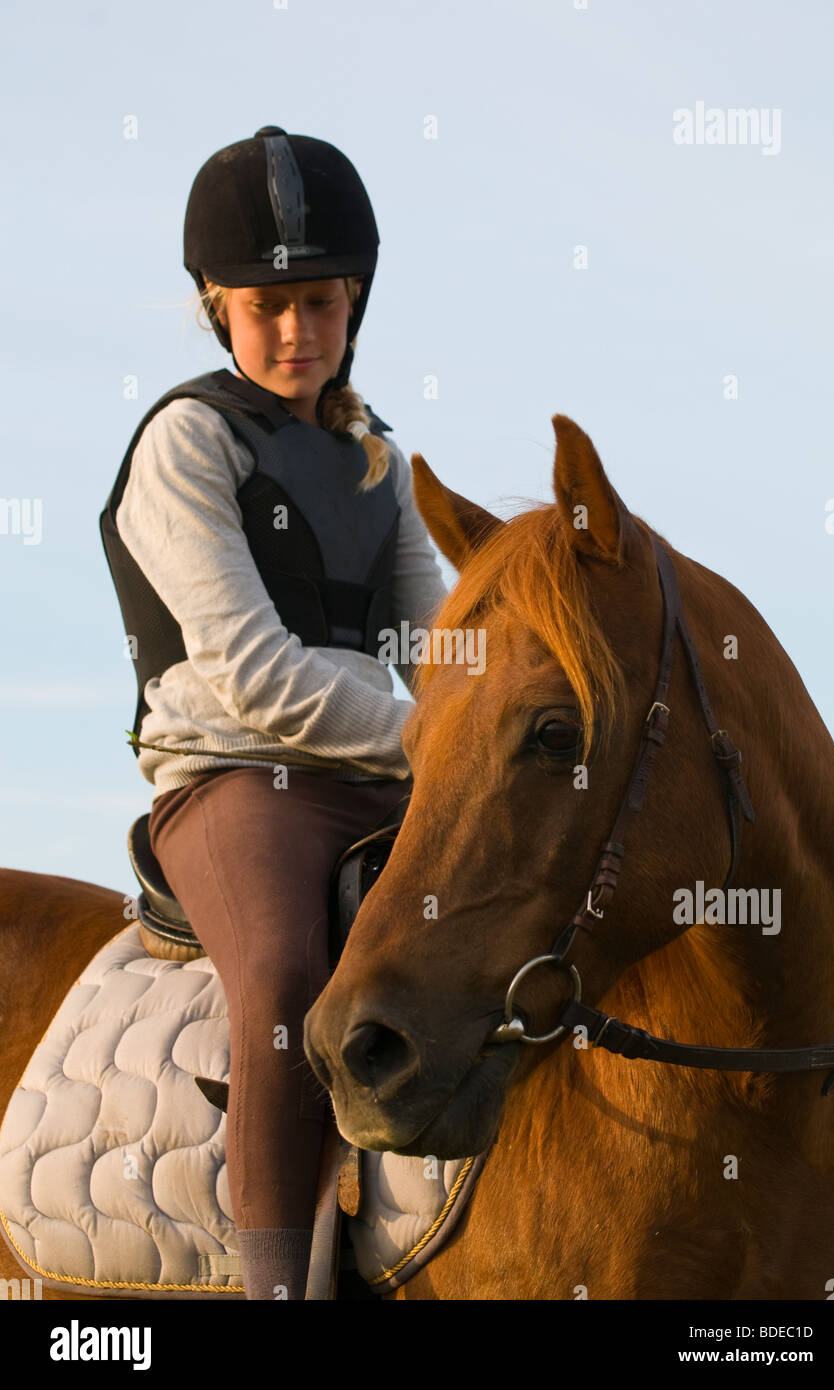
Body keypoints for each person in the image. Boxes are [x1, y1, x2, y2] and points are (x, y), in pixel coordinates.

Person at [99, 126, 447, 1299]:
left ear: (355, 300)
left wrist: (507, 713)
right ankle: (272, 1292)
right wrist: (435, 735)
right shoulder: (185, 444)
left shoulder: (375, 461)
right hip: (234, 780)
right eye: (266, 306)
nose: (295, 331)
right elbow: (253, 671)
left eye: (319, 302)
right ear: (217, 307)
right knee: (292, 975)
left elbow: (437, 646)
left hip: (383, 772)